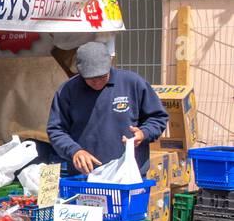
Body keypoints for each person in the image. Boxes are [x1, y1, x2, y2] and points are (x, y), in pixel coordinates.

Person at [47, 41, 169, 175]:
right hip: (85, 175)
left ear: (110, 65)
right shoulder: (67, 91)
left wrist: (144, 133)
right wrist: (74, 151)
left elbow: (158, 117)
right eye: (91, 78)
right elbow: (56, 130)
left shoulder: (132, 83)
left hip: (129, 174)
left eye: (102, 77)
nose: (97, 82)